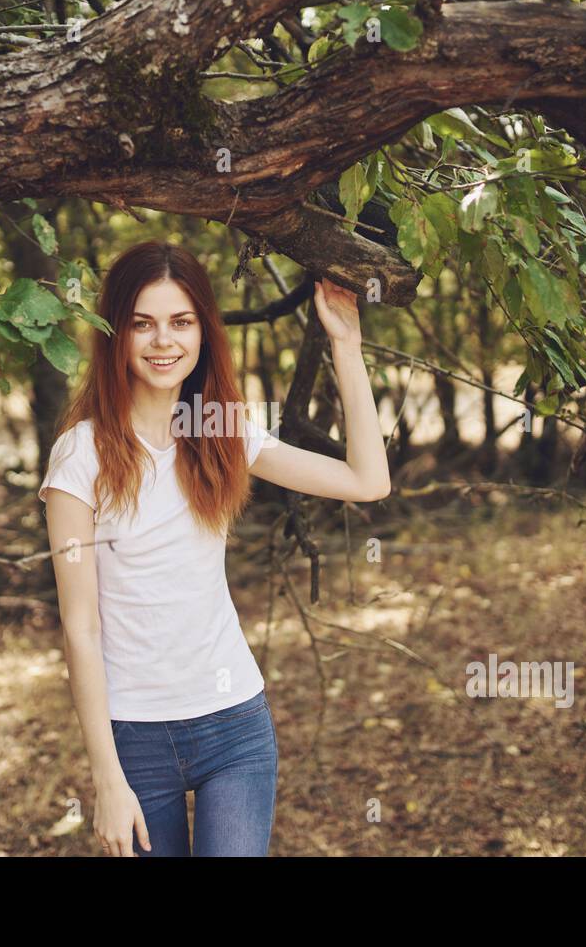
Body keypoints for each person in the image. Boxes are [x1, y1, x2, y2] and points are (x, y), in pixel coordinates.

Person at [38, 240, 390, 856]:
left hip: (233, 725)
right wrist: (106, 777)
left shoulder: (220, 431)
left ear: (203, 331)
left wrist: (346, 346)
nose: (162, 341)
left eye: (181, 322)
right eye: (142, 324)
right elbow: (81, 627)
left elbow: (367, 481)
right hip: (136, 739)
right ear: (115, 334)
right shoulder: (81, 454)